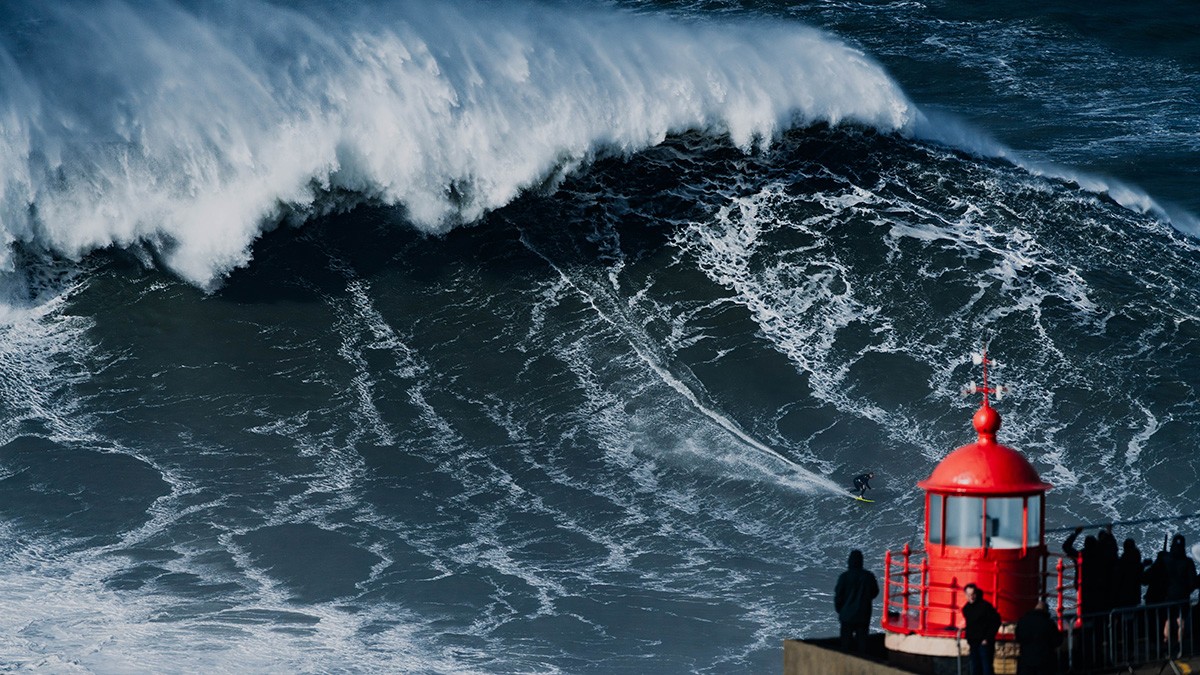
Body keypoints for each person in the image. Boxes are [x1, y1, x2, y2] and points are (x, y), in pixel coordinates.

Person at [834, 549, 879, 655]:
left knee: (846, 646)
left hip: (846, 616)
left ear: (849, 561)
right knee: (862, 646)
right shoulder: (869, 576)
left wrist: (841, 611)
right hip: (863, 616)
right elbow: (875, 592)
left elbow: (838, 596)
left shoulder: (844, 577)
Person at [1163, 533, 1197, 656]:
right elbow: (1193, 582)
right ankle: (1180, 647)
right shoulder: (1188, 562)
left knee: (1168, 621)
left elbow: (1162, 578)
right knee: (1180, 622)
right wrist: (1187, 591)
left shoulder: (1166, 560)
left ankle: (1167, 645)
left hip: (1169, 596)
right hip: (1182, 597)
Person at [963, 583, 1002, 675]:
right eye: (968, 595)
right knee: (976, 667)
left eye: (972, 594)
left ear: (976, 594)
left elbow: (996, 621)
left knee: (986, 668)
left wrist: (988, 637)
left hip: (985, 642)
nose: (971, 597)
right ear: (965, 595)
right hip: (973, 642)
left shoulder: (985, 607)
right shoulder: (966, 609)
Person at [1015, 601, 1062, 675]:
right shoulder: (1048, 623)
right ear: (1045, 610)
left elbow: (1018, 638)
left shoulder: (1023, 621)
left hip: (1026, 659)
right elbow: (1057, 641)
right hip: (1044, 660)